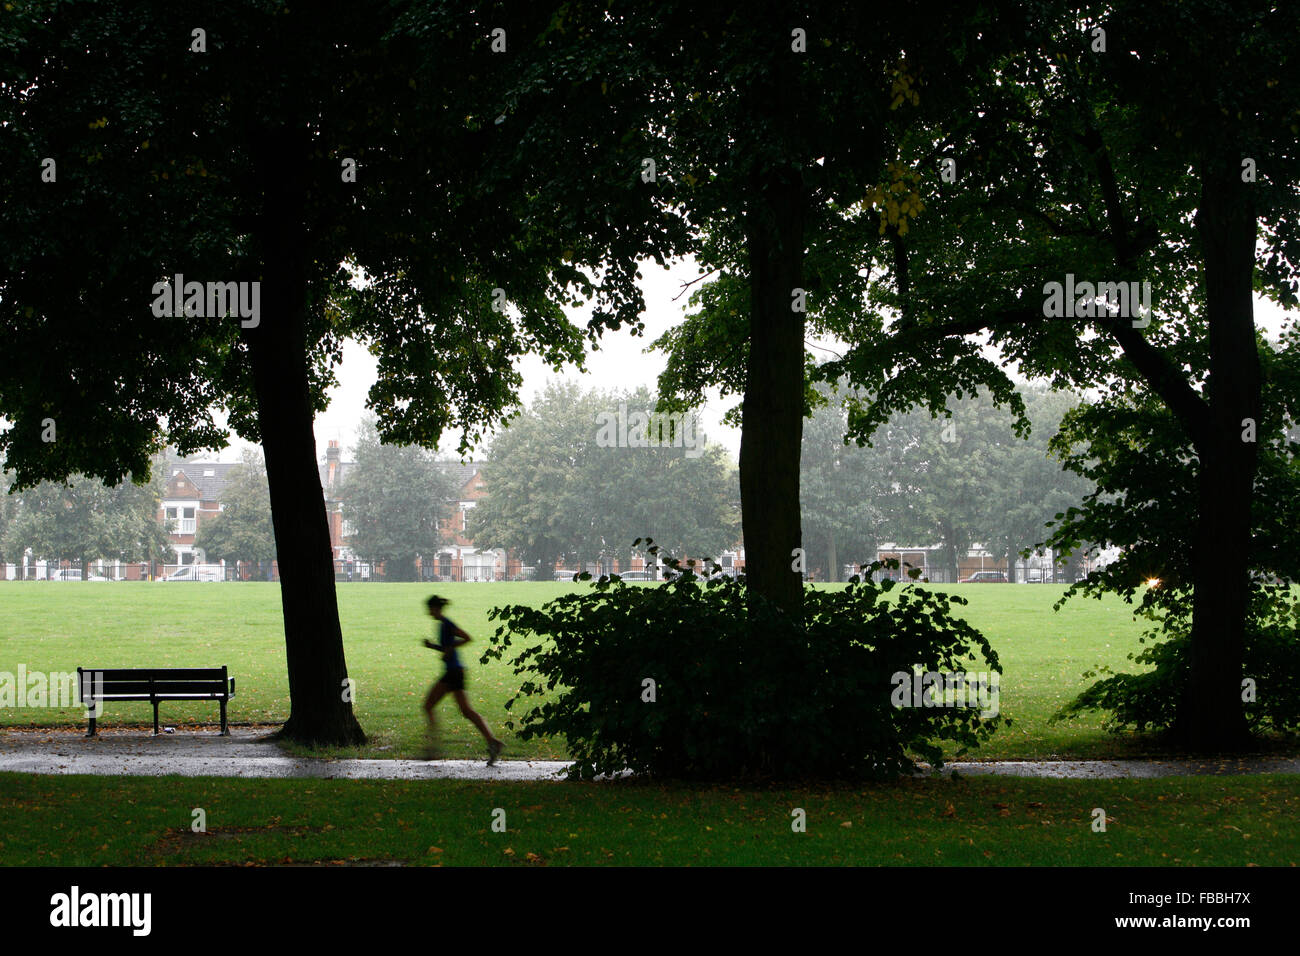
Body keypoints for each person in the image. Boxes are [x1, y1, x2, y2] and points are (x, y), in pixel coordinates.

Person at [421, 595, 504, 765]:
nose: (429, 612)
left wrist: (451, 647)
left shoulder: (446, 624)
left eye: (430, 609)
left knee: (428, 706)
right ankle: (493, 742)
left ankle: (433, 748)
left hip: (453, 673)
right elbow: (447, 648)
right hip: (454, 672)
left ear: (436, 609)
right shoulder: (442, 625)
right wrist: (433, 647)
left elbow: (467, 638)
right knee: (466, 711)